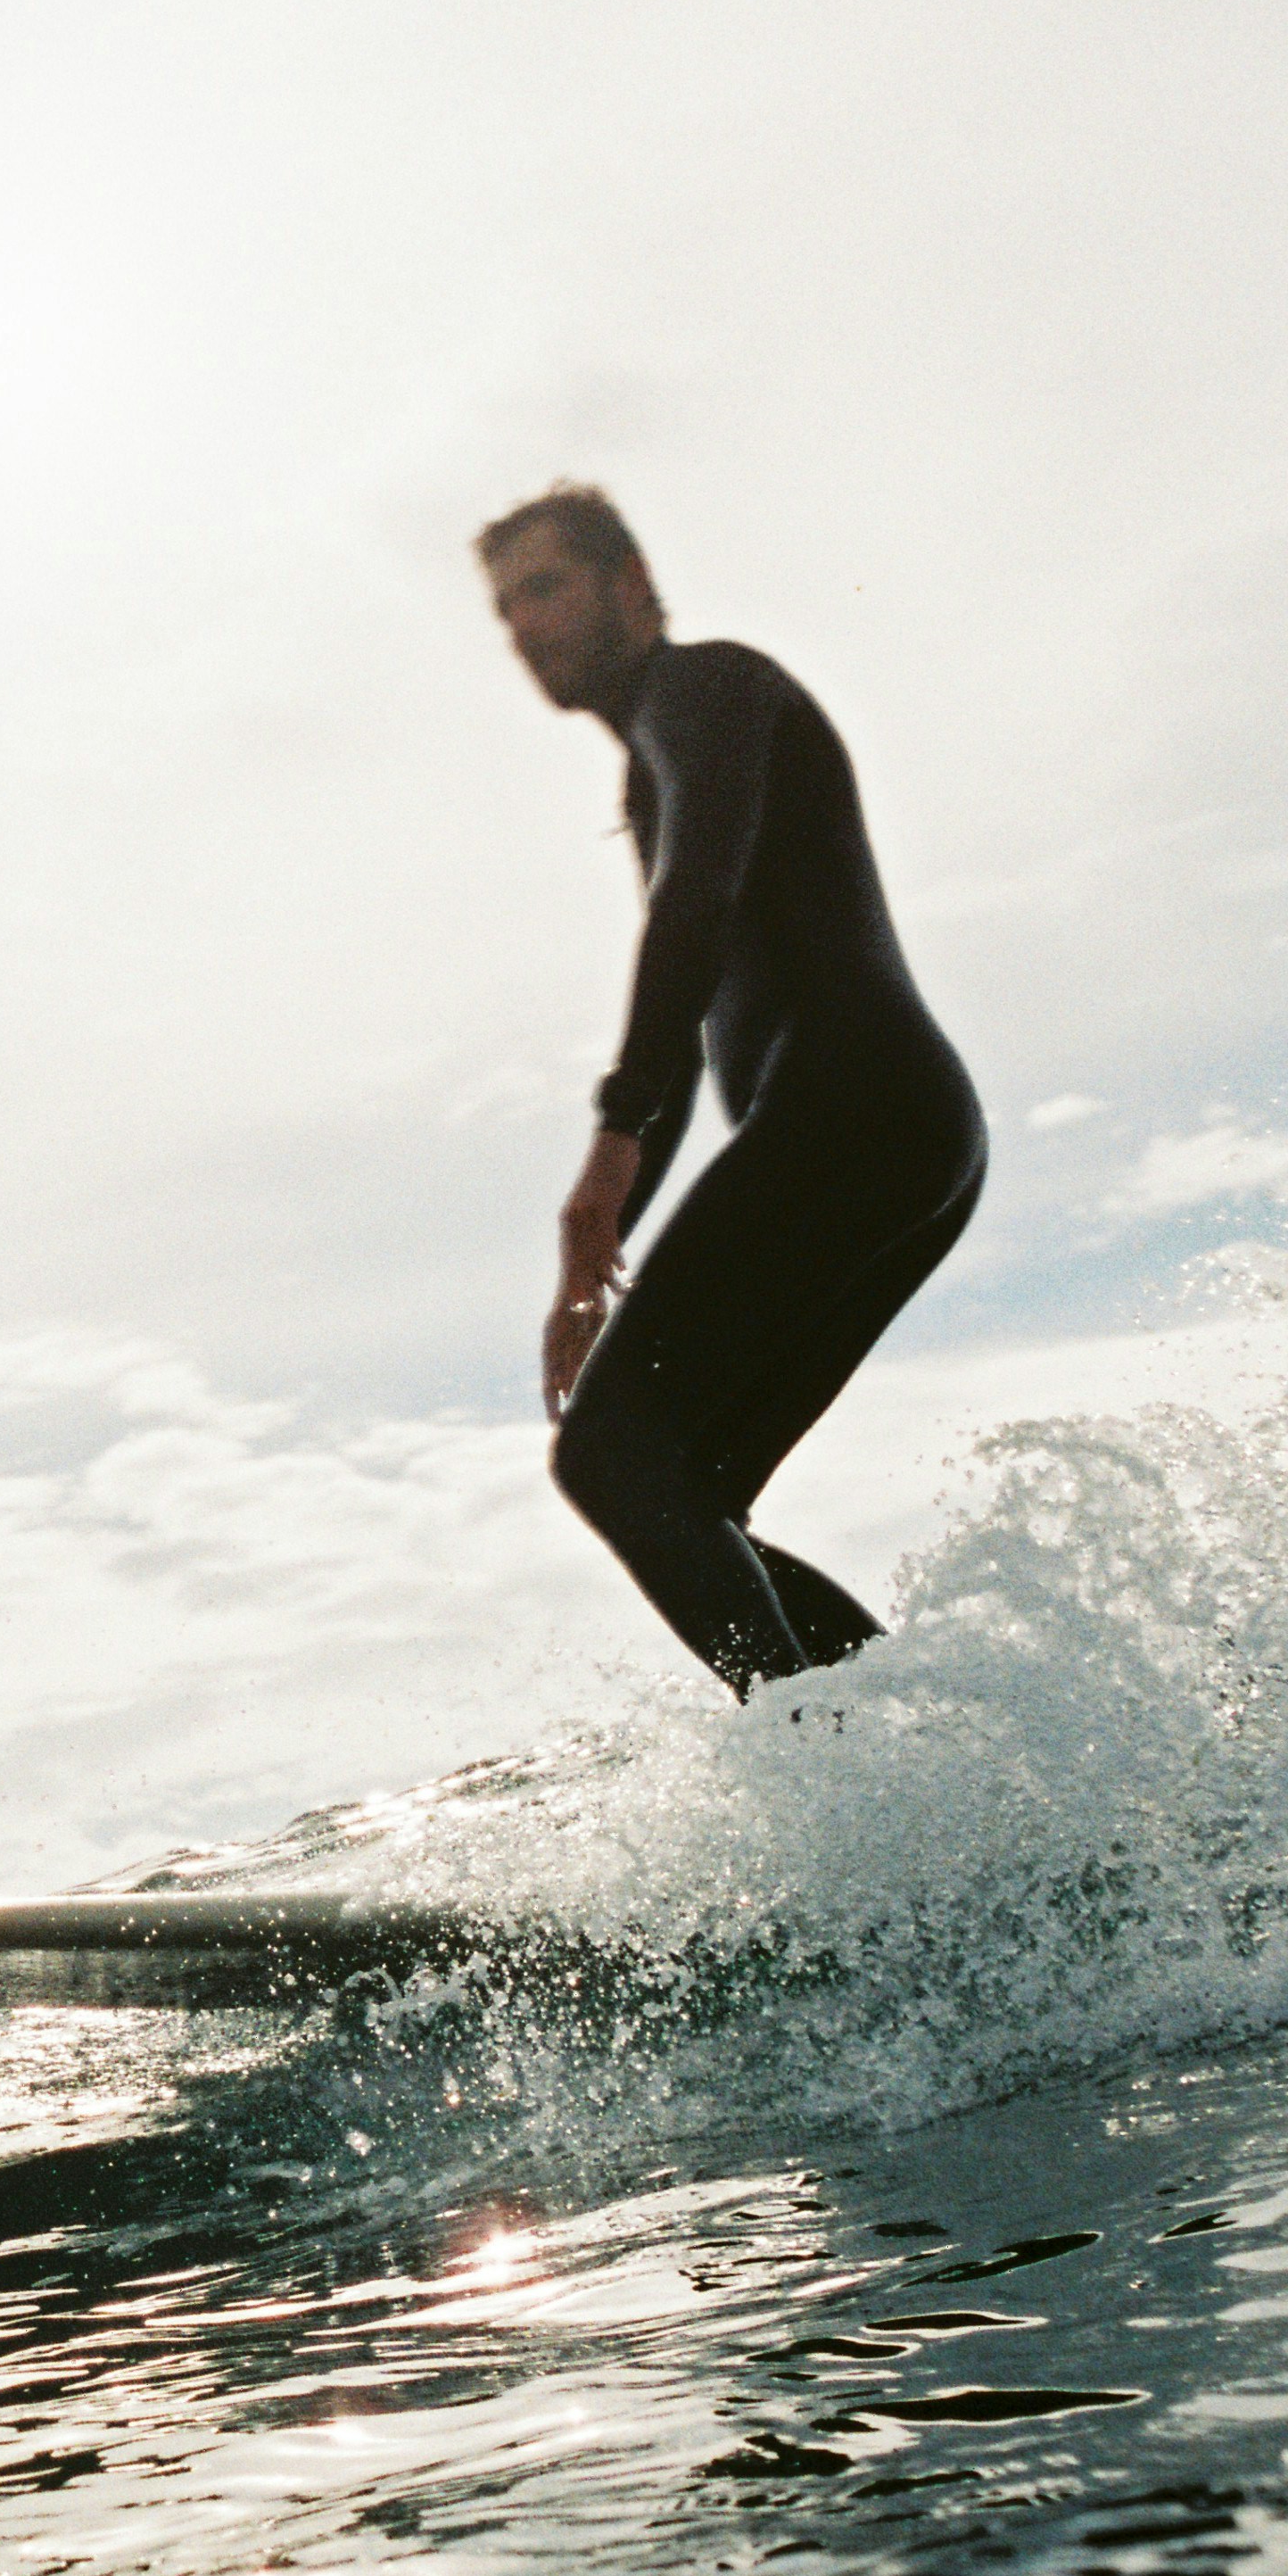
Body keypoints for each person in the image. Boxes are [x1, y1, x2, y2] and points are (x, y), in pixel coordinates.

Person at [478, 483, 987, 1694]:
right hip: (893, 1126)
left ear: (629, 580)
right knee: (683, 1493)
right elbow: (698, 1042)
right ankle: (949, 1779)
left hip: (854, 1103)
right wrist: (600, 1247)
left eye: (545, 586)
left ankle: (861, 1801)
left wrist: (599, 1168)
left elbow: (690, 907)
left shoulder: (702, 687)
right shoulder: (655, 765)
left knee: (607, 1453)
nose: (524, 627)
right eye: (503, 610)